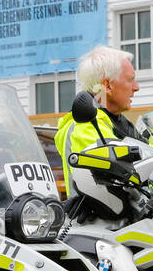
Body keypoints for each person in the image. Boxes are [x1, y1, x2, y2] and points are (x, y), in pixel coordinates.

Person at [55, 45, 139, 188]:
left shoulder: (116, 123)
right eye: (130, 80)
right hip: (99, 210)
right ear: (107, 85)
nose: (136, 87)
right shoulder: (85, 126)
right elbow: (122, 178)